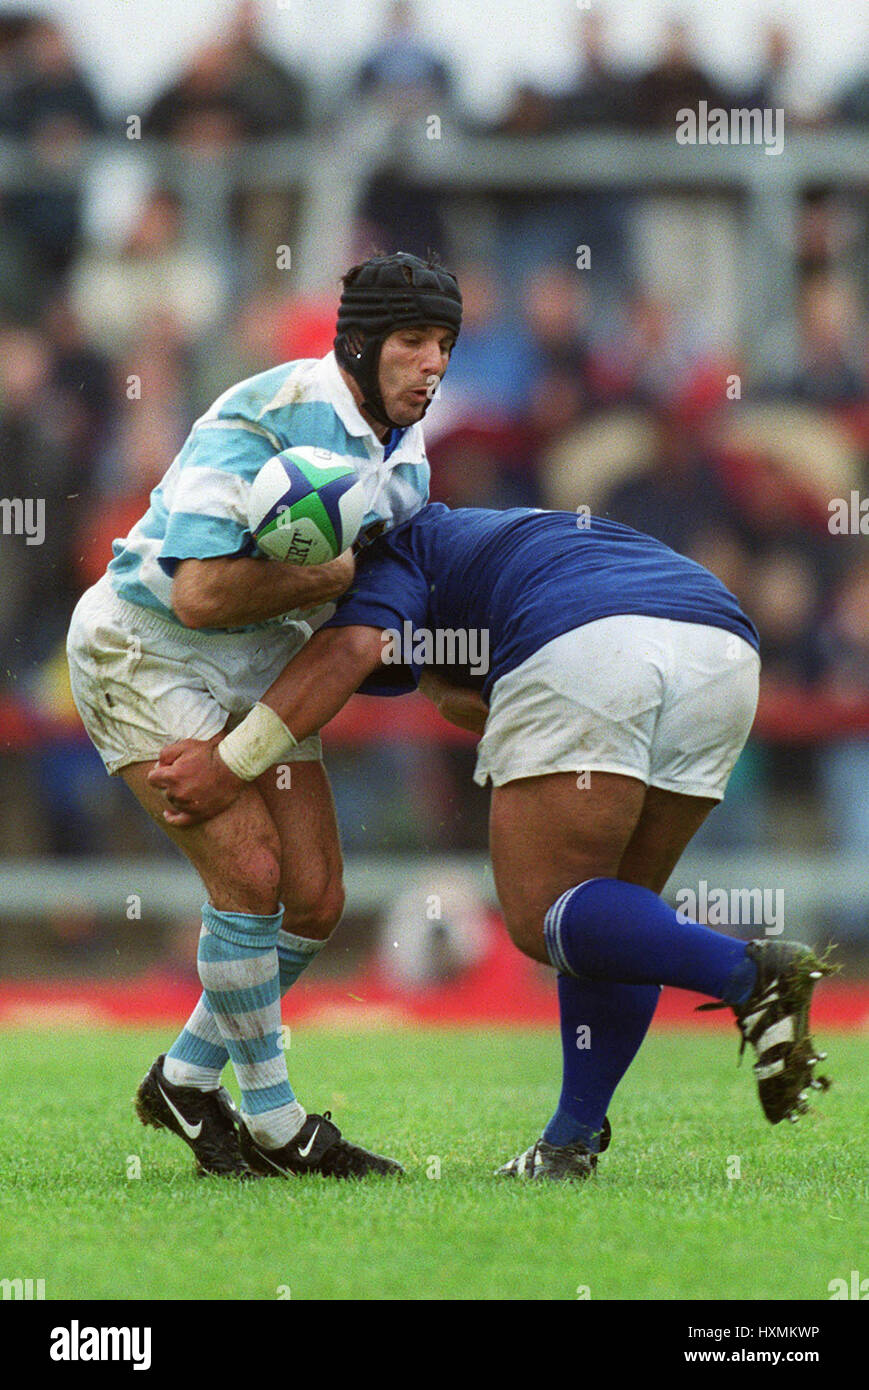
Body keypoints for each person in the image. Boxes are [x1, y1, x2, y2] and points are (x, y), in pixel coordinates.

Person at [150, 502, 835, 1180]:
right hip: (721, 647)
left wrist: (230, 761)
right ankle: (567, 1143)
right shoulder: (485, 538)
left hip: (588, 643)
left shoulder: (385, 554)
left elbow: (363, 654)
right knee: (610, 916)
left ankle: (749, 974)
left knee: (545, 915)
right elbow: (462, 690)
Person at [65, 252, 463, 1180]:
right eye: (411, 342)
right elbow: (199, 596)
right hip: (146, 645)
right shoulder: (263, 416)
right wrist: (323, 574)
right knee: (250, 873)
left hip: (261, 660)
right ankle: (280, 1126)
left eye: (443, 344)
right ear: (360, 345)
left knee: (317, 897)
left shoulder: (408, 462)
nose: (431, 365)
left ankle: (182, 1079)